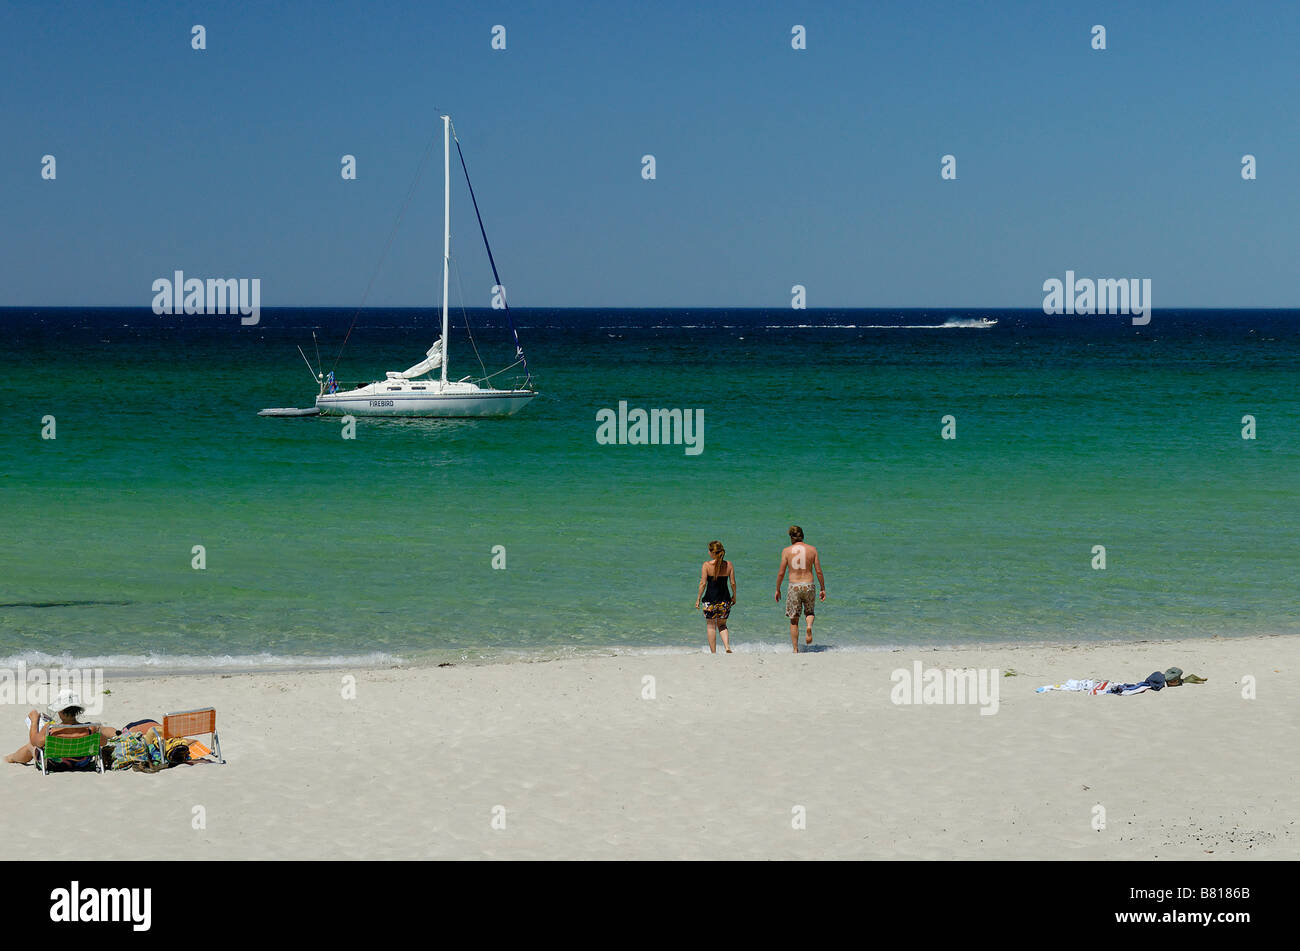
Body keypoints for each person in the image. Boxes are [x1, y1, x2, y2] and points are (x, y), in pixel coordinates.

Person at [4, 689, 118, 767]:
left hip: (54, 763)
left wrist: (34, 721)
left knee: (30, 746)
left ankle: (11, 758)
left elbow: (35, 742)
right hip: (82, 762)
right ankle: (11, 758)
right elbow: (103, 742)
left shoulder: (51, 729)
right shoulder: (90, 729)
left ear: (59, 712)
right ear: (77, 712)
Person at [775, 525, 825, 653]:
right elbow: (819, 571)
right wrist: (822, 588)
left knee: (794, 620)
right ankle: (809, 626)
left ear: (791, 537)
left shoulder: (786, 551)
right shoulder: (812, 550)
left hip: (794, 586)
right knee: (809, 612)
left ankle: (795, 649)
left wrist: (778, 589)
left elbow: (781, 573)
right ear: (802, 535)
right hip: (808, 585)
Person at [695, 540, 736, 653]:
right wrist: (734, 596)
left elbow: (703, 583)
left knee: (711, 626)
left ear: (712, 553)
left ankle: (714, 652)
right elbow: (732, 583)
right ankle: (727, 647)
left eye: (709, 550)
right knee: (722, 625)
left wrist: (698, 598)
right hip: (725, 600)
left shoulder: (706, 565)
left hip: (710, 601)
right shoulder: (729, 565)